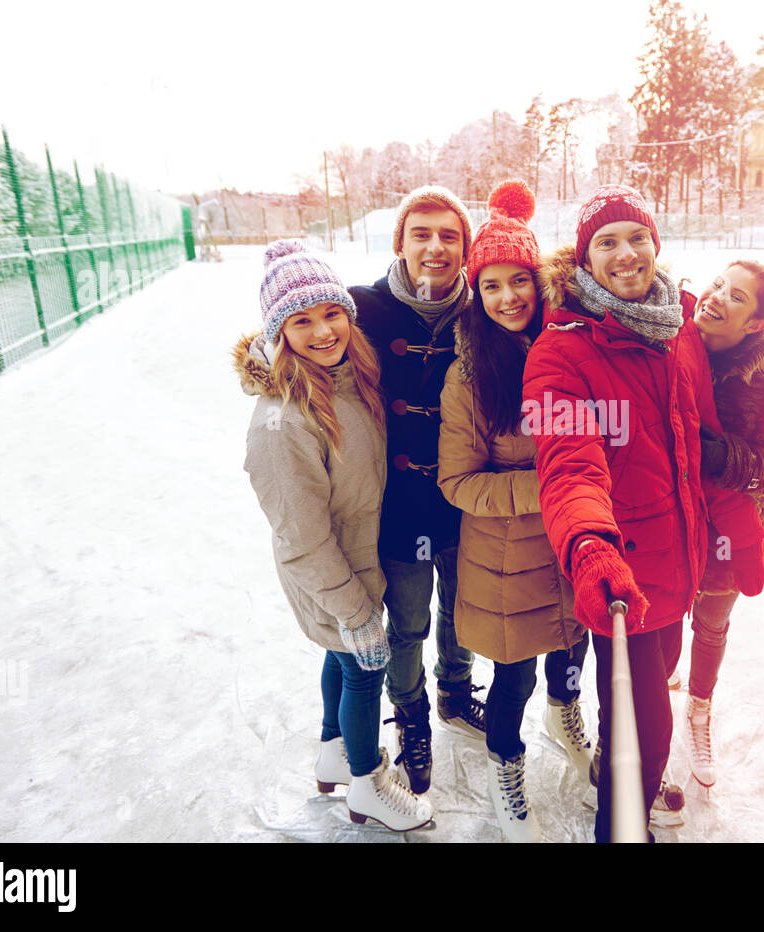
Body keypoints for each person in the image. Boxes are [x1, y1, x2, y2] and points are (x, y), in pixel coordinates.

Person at [523, 184, 764, 842]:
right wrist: (592, 550)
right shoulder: (560, 353)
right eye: (607, 242)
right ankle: (621, 827)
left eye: (636, 238)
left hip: (679, 563)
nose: (625, 253)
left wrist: (740, 535)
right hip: (622, 579)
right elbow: (569, 464)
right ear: (585, 259)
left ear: (655, 245)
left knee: (649, 690)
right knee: (643, 728)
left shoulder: (679, 327)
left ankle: (622, 778)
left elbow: (698, 443)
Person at [235, 240, 432, 831]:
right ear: (279, 331)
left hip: (355, 558)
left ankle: (333, 750)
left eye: (332, 313)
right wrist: (354, 608)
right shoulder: (282, 419)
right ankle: (367, 783)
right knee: (362, 668)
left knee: (343, 662)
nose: (324, 331)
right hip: (331, 573)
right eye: (302, 321)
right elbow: (300, 537)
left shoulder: (344, 377)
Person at [437, 180, 594, 842]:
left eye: (518, 281)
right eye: (491, 285)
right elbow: (459, 482)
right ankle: (507, 768)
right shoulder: (470, 374)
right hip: (507, 562)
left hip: (573, 546)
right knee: (513, 678)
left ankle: (567, 719)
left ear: (539, 280)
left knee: (574, 649)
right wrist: (550, 485)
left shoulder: (569, 348)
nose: (508, 298)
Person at [348, 186, 486, 795]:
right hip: (397, 502)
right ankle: (411, 716)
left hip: (466, 495)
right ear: (400, 242)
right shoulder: (361, 308)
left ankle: (456, 691)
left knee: (463, 608)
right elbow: (296, 342)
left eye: (449, 236)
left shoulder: (484, 309)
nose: (435, 247)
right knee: (407, 621)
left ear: (465, 247)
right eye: (421, 234)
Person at [671, 259, 764, 788]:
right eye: (717, 284)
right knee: (660, 617)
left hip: (732, 527)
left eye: (736, 297)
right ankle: (662, 689)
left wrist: (716, 456)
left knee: (710, 623)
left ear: (755, 323)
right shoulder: (669, 340)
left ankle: (700, 709)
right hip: (669, 515)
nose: (717, 297)